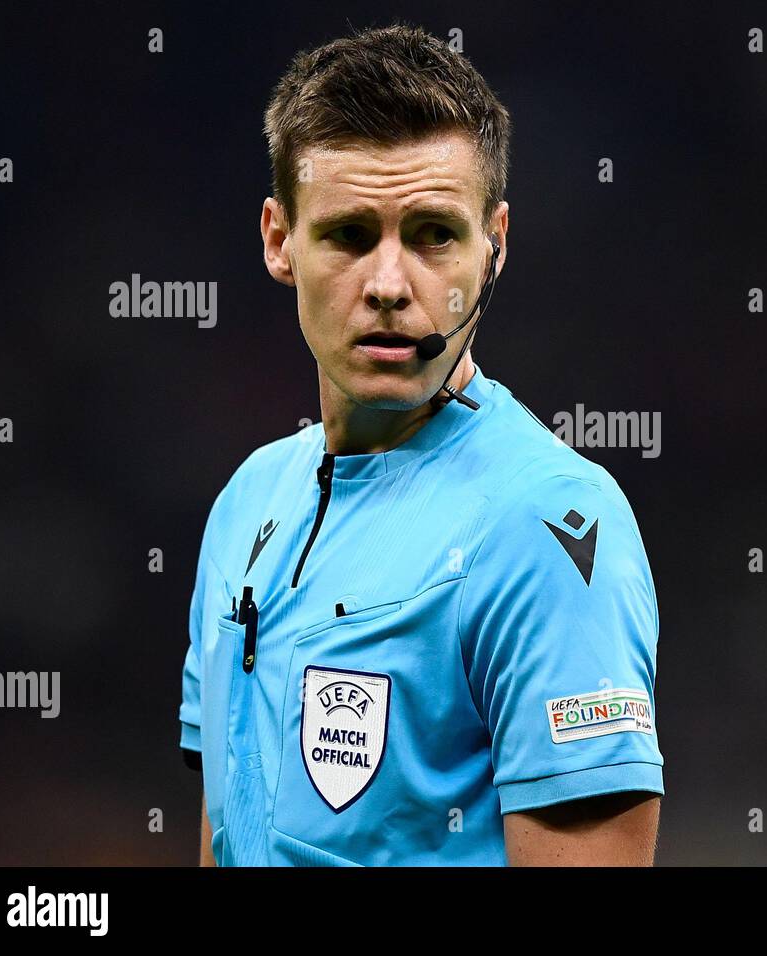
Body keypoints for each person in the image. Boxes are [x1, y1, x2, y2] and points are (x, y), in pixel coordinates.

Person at [177, 23, 663, 866]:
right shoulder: (245, 504)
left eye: (435, 233)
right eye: (350, 234)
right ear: (278, 240)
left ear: (495, 246)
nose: (392, 285)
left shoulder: (550, 525)